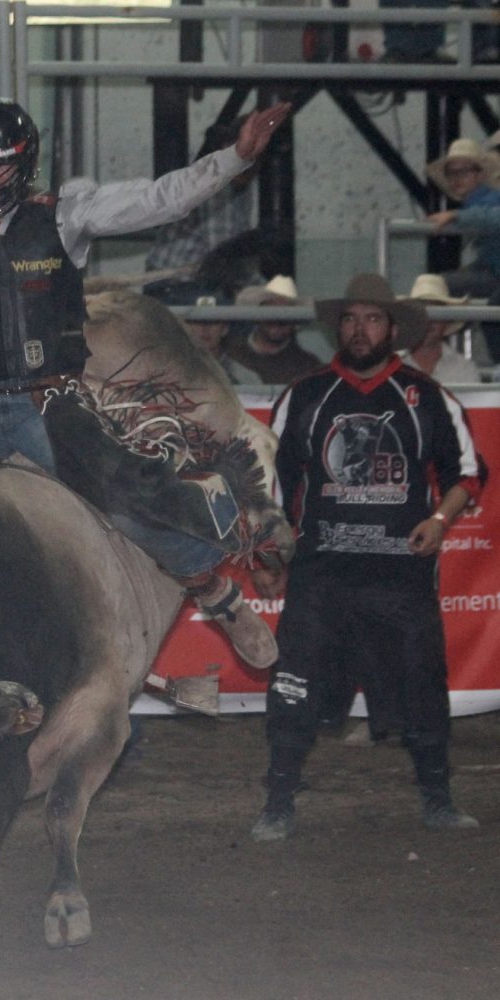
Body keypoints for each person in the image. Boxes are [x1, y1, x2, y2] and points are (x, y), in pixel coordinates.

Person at [0, 95, 291, 482]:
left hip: (50, 409)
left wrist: (234, 158)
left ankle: (217, 520)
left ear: (23, 162)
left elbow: (160, 199)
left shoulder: (66, 216)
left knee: (138, 498)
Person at [249, 273, 486, 842]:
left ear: (393, 328)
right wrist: (268, 556)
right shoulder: (305, 395)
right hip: (320, 578)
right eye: (351, 319)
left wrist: (438, 521)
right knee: (293, 690)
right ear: (339, 327)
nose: (361, 329)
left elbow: (467, 474)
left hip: (400, 580)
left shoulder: (426, 396)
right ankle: (278, 802)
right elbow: (271, 485)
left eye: (373, 319)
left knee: (423, 690)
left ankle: (438, 799)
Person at [144, 114, 257, 272]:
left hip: (194, 274)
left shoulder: (242, 181)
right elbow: (223, 254)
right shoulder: (215, 183)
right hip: (173, 277)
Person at [426, 138, 500, 362]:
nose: (457, 178)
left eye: (464, 171)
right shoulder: (481, 200)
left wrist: (456, 215)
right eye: (451, 173)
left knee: (490, 310)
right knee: (442, 285)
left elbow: (495, 218)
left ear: (479, 174)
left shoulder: (490, 199)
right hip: (493, 272)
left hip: (495, 274)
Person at [143, 277, 260, 385]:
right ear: (183, 326)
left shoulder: (245, 378)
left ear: (225, 328)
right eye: (196, 320)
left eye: (213, 320)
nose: (204, 328)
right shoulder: (161, 374)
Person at [223, 275, 322, 384]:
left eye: (285, 315)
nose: (277, 320)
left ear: (294, 322)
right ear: (258, 316)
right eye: (271, 312)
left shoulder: (308, 366)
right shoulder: (231, 352)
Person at [400, 273, 482, 383]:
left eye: (436, 314)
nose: (429, 321)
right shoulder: (390, 366)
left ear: (446, 321)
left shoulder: (465, 369)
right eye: (422, 313)